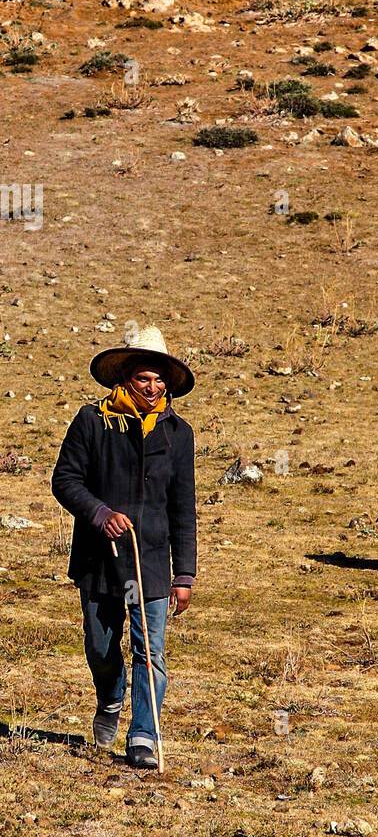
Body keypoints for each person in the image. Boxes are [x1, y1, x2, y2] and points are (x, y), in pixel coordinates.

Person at [51, 326, 197, 769]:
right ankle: (110, 696)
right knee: (100, 646)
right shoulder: (92, 422)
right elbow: (65, 480)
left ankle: (144, 736)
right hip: (100, 560)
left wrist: (184, 573)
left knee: (149, 649)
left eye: (159, 381)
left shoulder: (178, 433)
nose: (152, 389)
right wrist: (99, 514)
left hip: (150, 561)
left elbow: (183, 505)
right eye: (143, 379)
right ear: (125, 380)